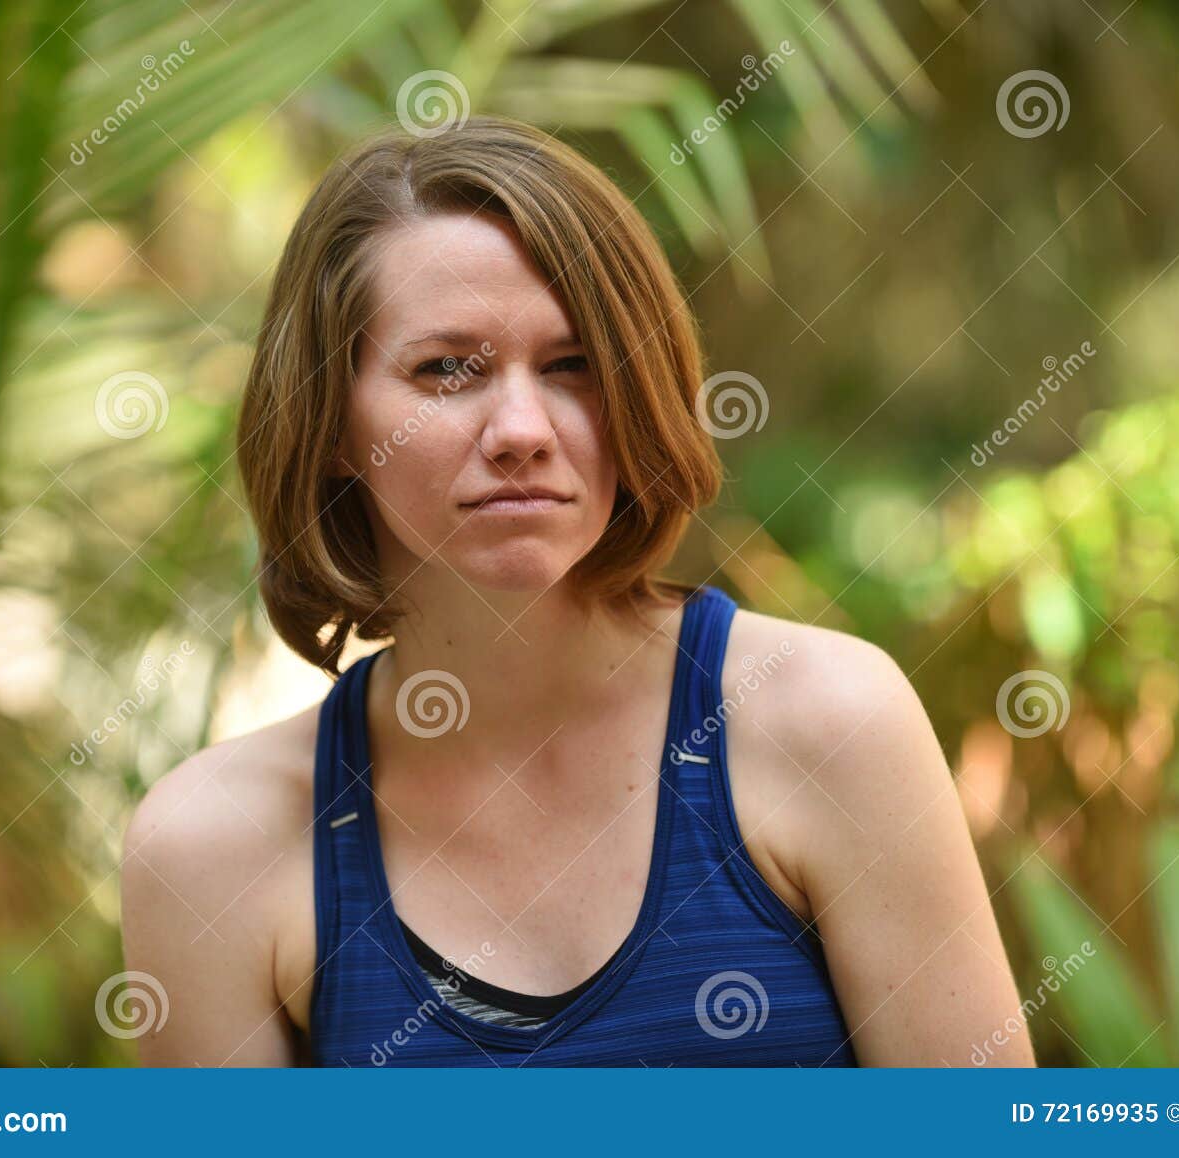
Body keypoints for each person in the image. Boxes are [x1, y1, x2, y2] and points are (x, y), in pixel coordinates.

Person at [120, 115, 1032, 1067]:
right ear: (335, 424)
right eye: (446, 370)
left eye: (574, 366)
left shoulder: (831, 724)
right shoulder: (212, 851)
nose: (521, 428)